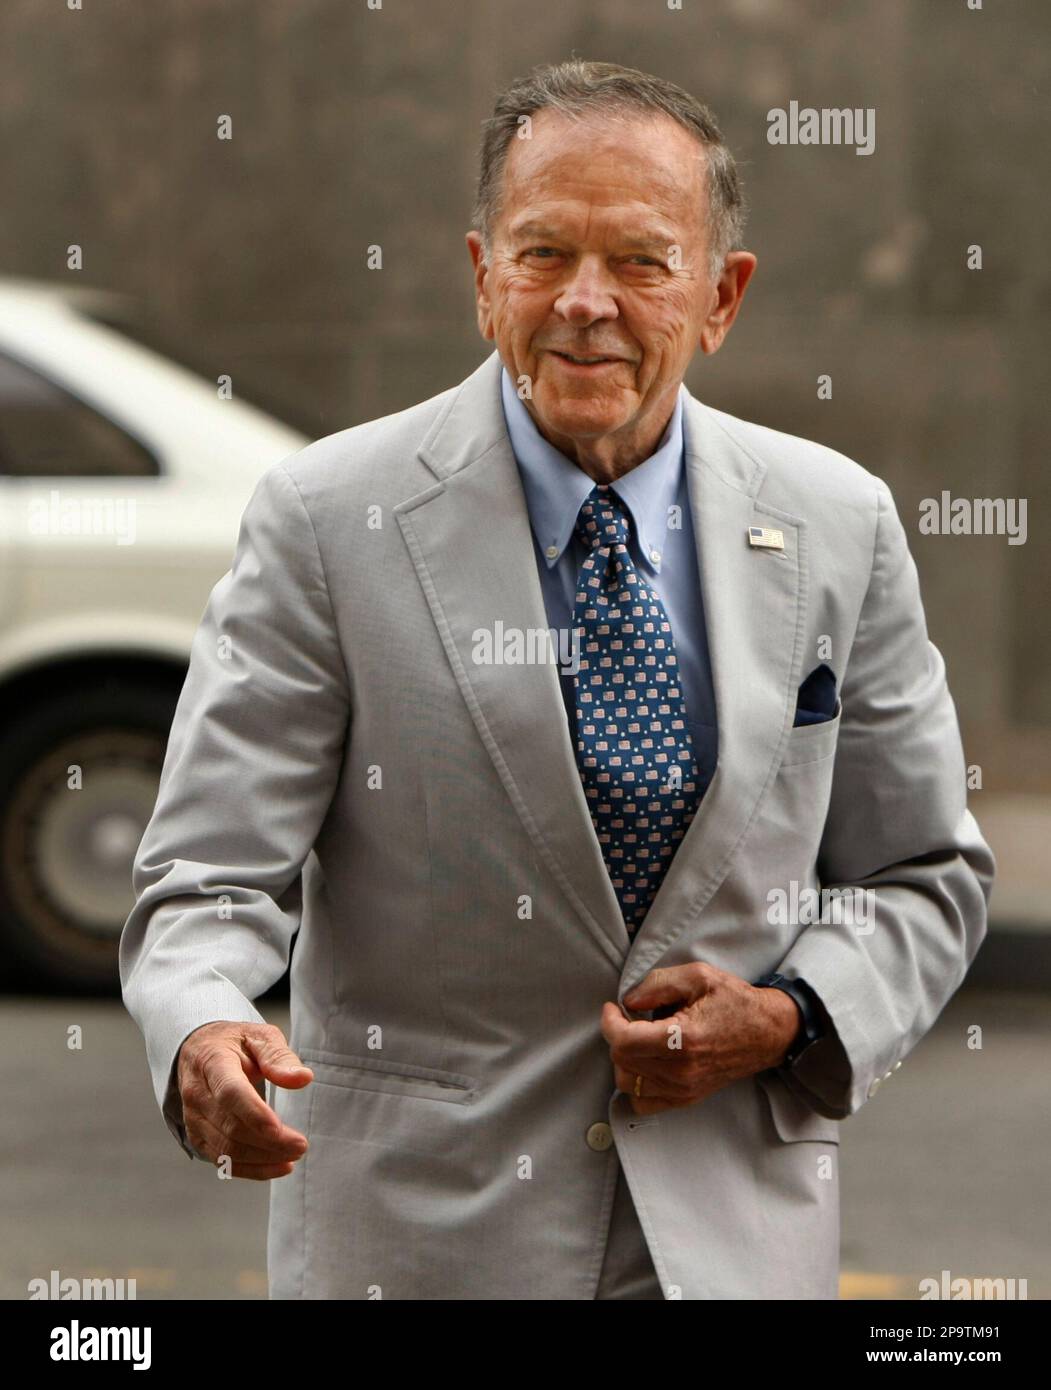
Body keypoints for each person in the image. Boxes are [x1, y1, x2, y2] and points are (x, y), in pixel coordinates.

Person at [121, 59, 994, 1300]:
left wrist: (793, 1013)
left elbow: (922, 873)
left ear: (720, 296)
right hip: (420, 1246)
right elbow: (204, 877)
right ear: (484, 279)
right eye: (543, 256)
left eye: (641, 261)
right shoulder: (328, 520)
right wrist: (205, 1025)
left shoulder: (834, 522)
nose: (586, 304)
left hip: (730, 1250)